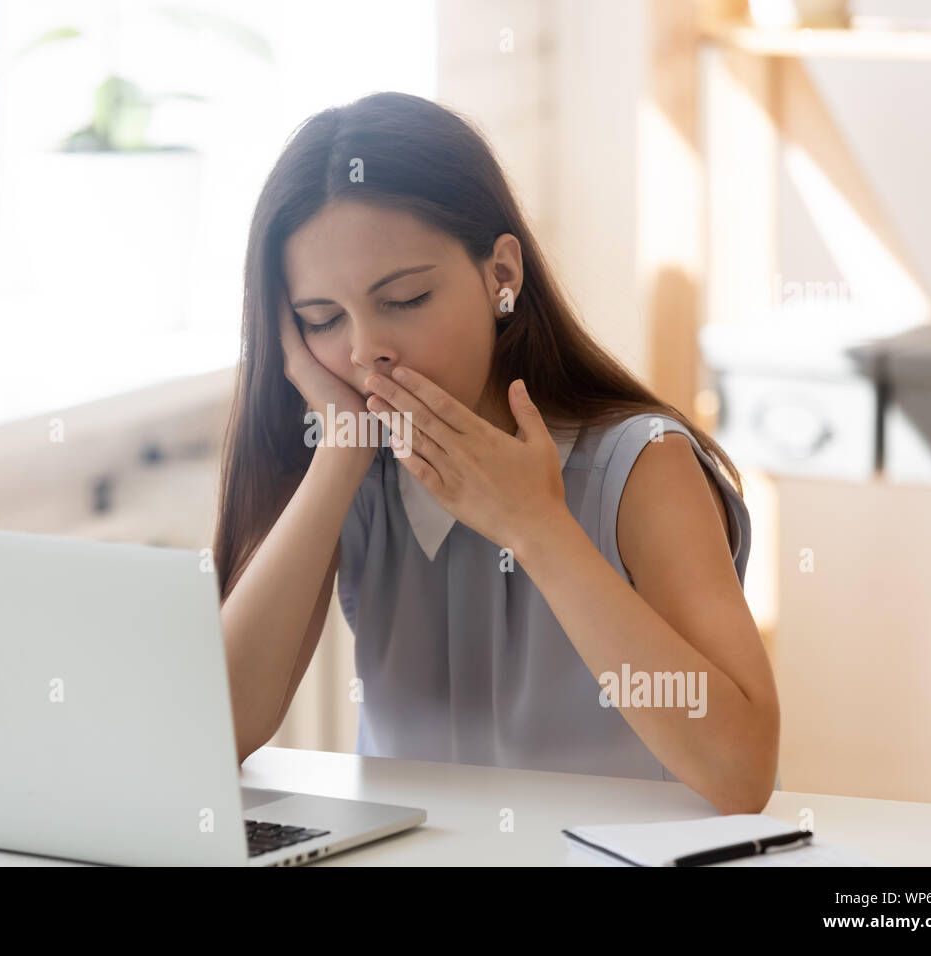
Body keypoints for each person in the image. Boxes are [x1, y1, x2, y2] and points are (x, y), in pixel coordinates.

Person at [213, 91, 779, 814]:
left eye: (406, 299)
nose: (363, 351)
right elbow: (215, 734)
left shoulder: (640, 465)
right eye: (322, 319)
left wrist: (537, 528)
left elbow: (742, 772)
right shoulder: (349, 466)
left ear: (501, 276)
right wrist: (338, 460)